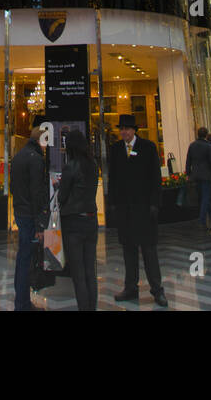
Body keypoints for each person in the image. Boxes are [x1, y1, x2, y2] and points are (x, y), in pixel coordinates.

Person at [107, 114, 166, 307]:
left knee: (149, 251)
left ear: (134, 130)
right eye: (121, 128)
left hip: (144, 208)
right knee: (128, 251)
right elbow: (113, 178)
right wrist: (113, 203)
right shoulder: (115, 149)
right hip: (125, 209)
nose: (123, 132)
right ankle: (130, 287)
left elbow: (155, 177)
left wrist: (154, 204)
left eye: (127, 128)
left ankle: (157, 290)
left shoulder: (148, 147)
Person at [58, 128, 99, 311]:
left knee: (78, 272)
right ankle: (92, 307)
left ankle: (84, 307)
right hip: (91, 221)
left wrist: (59, 186)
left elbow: (62, 197)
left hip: (73, 223)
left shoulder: (71, 166)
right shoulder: (93, 165)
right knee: (90, 269)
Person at [10, 124, 49, 311]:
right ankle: (23, 303)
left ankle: (21, 299)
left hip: (19, 211)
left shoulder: (18, 156)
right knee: (27, 258)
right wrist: (40, 223)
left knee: (22, 257)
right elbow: (37, 192)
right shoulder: (36, 160)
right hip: (29, 214)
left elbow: (12, 186)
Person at [185, 127, 211, 233]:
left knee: (203, 196)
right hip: (206, 175)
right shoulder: (208, 146)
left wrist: (188, 173)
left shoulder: (192, 145)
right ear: (206, 135)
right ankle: (202, 219)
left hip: (195, 175)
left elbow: (188, 160)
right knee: (206, 196)